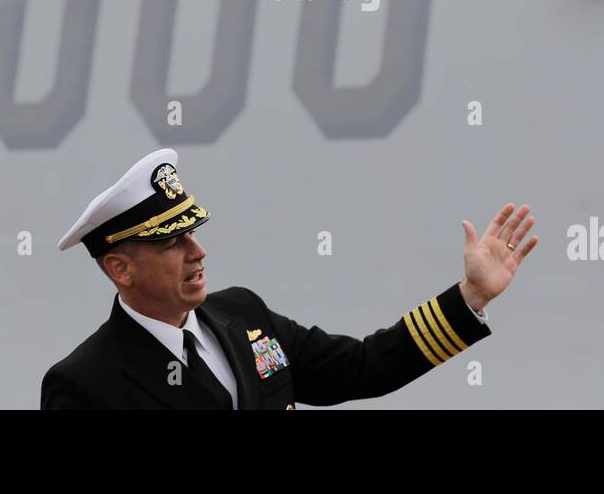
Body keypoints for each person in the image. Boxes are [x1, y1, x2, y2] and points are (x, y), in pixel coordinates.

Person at [41, 148, 538, 409]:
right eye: (172, 242)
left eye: (193, 234)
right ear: (119, 269)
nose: (198, 251)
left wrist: (469, 296)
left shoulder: (243, 315)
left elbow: (362, 368)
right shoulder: (86, 383)